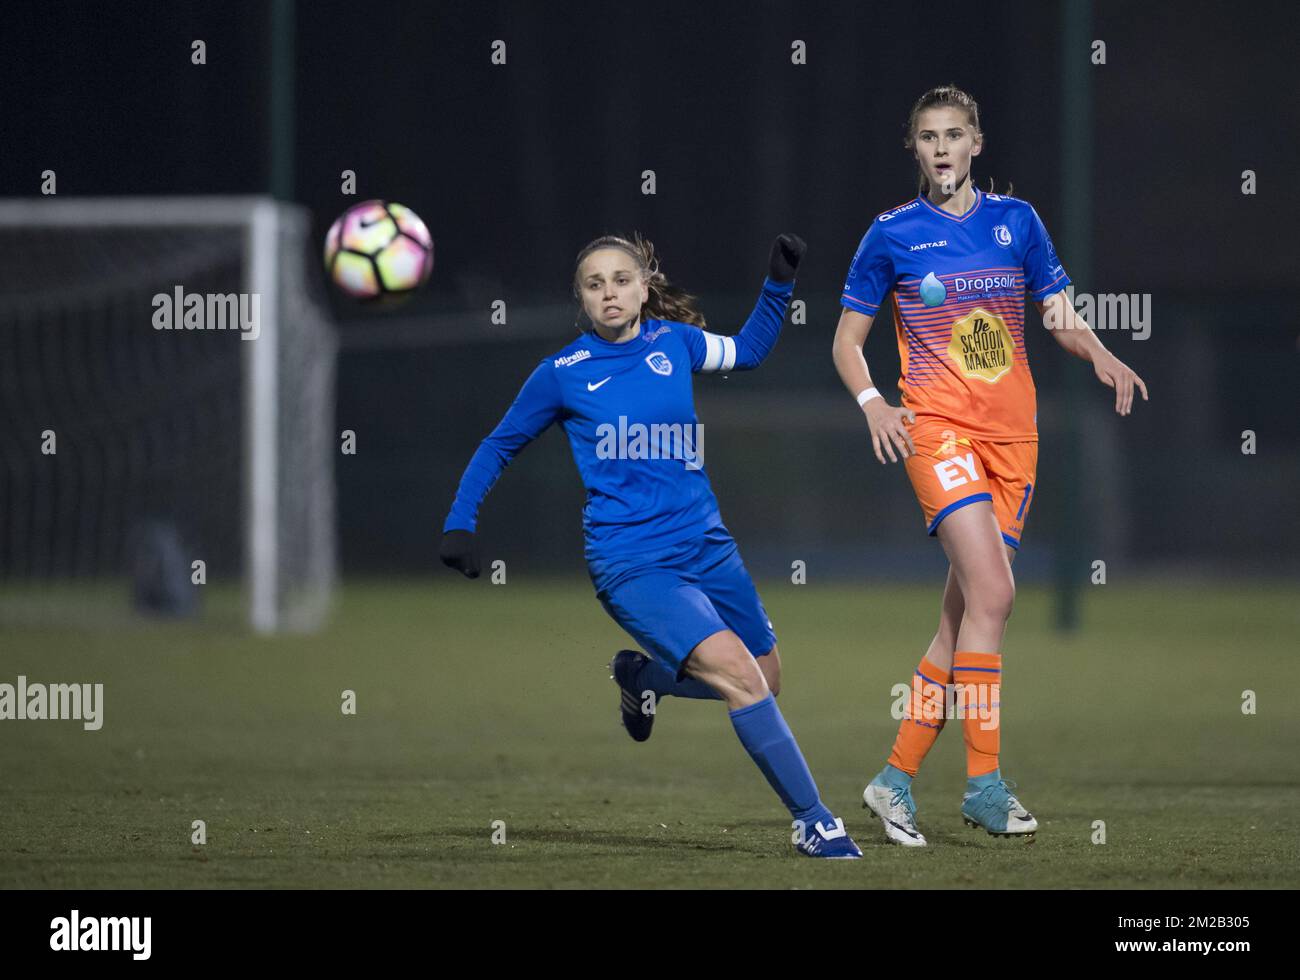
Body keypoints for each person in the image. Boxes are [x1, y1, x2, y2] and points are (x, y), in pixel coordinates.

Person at [441, 232, 861, 857]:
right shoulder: (562, 375)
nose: (608, 292)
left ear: (643, 288)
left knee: (767, 681)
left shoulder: (676, 343)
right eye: (593, 284)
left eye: (619, 280)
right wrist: (460, 521)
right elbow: (498, 444)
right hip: (633, 562)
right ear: (580, 299)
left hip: (708, 546)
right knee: (743, 679)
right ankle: (813, 820)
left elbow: (748, 352)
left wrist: (778, 282)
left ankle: (644, 677)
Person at [832, 85, 1148, 846]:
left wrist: (1101, 351)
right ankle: (983, 784)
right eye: (927, 137)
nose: (941, 148)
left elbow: (1057, 312)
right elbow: (845, 341)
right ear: (914, 149)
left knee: (964, 619)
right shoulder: (892, 233)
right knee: (998, 595)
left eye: (954, 134)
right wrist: (876, 403)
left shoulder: (1019, 223)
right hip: (937, 433)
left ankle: (894, 779)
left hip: (1015, 442)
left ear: (977, 142)